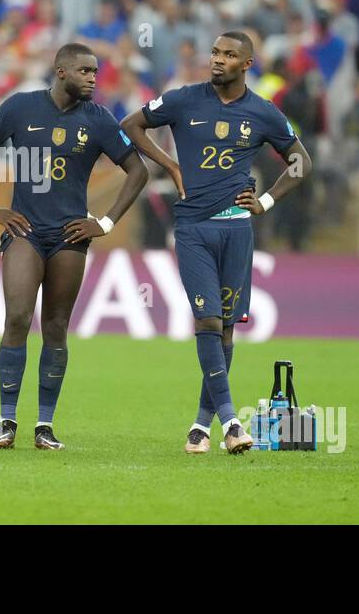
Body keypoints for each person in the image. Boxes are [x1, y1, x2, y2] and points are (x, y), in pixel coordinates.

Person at [122, 32, 312, 456]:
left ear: (247, 64)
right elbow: (130, 125)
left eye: (229, 55)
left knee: (225, 329)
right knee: (207, 320)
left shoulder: (262, 112)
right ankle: (231, 422)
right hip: (192, 230)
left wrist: (265, 200)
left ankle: (199, 426)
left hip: (238, 231)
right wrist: (171, 165)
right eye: (215, 52)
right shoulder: (184, 100)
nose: (218, 60)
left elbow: (302, 161)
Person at [0, 42, 147, 450]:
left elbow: (137, 170)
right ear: (61, 71)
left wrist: (104, 222)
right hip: (25, 230)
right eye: (85, 70)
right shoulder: (20, 108)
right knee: (17, 317)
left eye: (96, 71)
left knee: (55, 327)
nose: (92, 78)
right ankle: (7, 421)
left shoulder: (100, 119)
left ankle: (45, 426)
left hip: (70, 236)